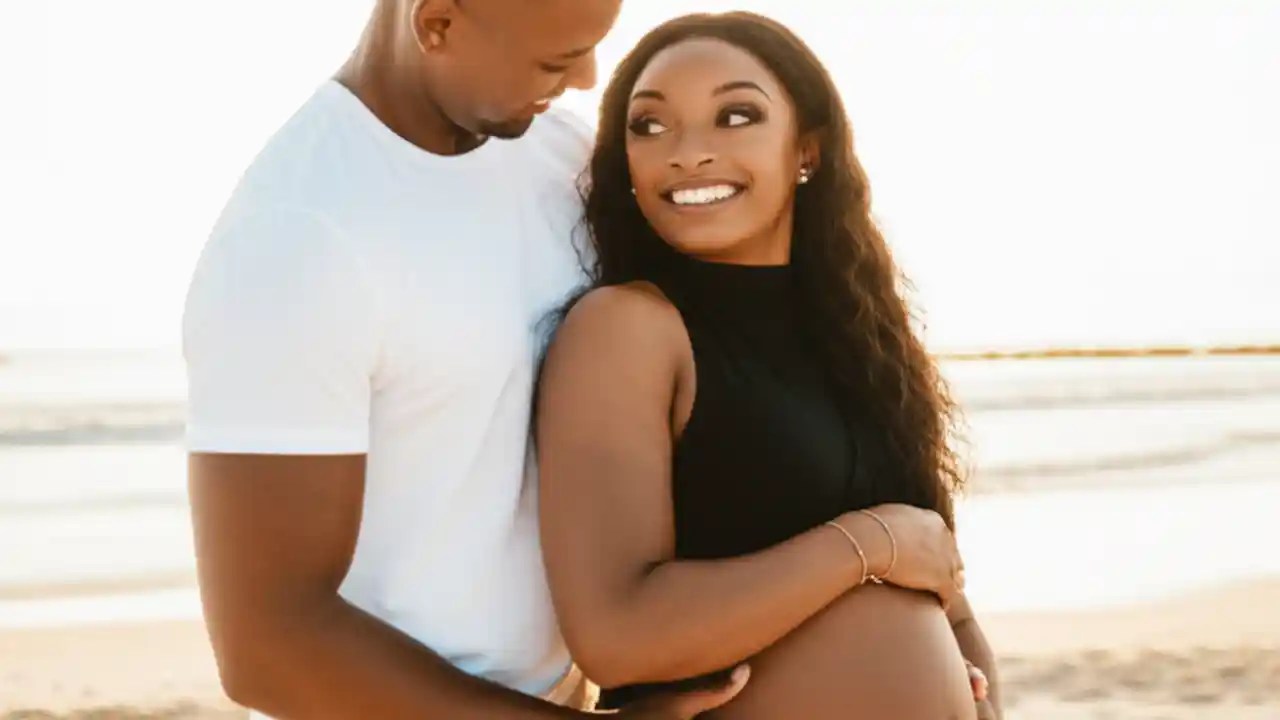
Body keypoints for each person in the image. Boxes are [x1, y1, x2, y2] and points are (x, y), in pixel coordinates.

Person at [182, 0, 758, 717]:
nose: (586, 78)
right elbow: (269, 645)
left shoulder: (562, 156)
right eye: (556, 59)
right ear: (438, 23)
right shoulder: (298, 237)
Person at [537, 12, 1001, 719]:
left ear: (805, 149)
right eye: (650, 126)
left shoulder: (861, 339)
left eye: (736, 115)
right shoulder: (628, 330)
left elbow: (943, 586)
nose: (688, 153)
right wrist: (867, 545)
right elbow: (616, 635)